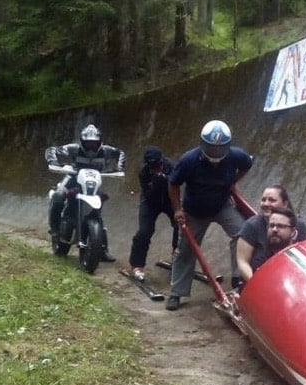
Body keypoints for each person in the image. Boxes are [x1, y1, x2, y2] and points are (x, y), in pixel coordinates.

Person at [166, 119, 253, 311]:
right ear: (203, 144)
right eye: (211, 147)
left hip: (221, 205)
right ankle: (177, 292)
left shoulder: (236, 156)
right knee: (186, 249)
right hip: (195, 210)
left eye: (220, 147)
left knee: (242, 234)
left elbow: (247, 165)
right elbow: (173, 183)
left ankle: (239, 278)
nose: (215, 151)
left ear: (227, 146)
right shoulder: (188, 160)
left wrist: (232, 182)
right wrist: (178, 209)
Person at [45, 124, 126, 261]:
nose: (91, 146)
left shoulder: (106, 151)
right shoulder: (74, 148)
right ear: (82, 142)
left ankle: (102, 249)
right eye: (87, 143)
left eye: (94, 143)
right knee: (59, 196)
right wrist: (54, 162)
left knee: (97, 211)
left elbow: (121, 153)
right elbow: (51, 150)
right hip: (73, 179)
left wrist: (119, 167)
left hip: (92, 182)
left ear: (100, 142)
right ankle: (55, 229)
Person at [236, 185, 306, 284]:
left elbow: (305, 255)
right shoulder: (251, 226)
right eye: (263, 200)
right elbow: (242, 261)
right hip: (258, 282)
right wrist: (257, 284)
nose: (266, 204)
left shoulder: (300, 226)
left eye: (272, 200)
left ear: (285, 203)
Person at [127, 146, 178, 281]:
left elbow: (178, 184)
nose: (155, 169)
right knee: (144, 231)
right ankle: (137, 265)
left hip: (170, 200)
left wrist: (165, 179)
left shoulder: (172, 166)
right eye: (152, 167)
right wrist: (155, 183)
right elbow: (147, 193)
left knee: (180, 224)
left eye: (157, 166)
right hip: (150, 202)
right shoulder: (143, 172)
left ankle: (177, 255)